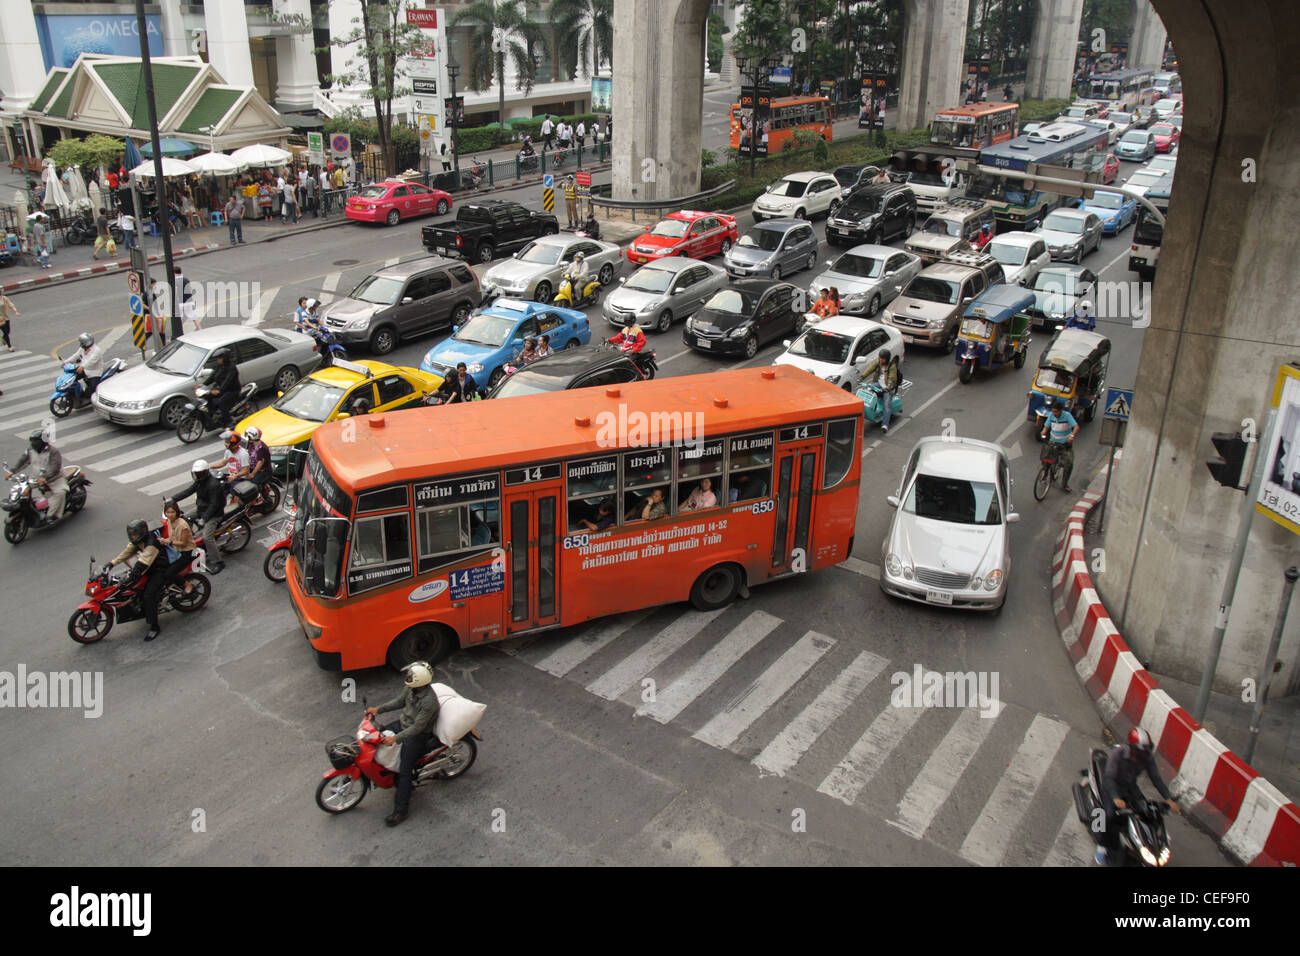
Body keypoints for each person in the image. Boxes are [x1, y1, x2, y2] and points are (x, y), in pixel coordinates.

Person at [364, 661, 442, 826]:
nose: (408, 679)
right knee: (377, 736)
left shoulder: (429, 702)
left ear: (420, 682)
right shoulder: (411, 688)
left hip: (417, 736)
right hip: (403, 724)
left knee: (404, 772)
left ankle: (401, 811)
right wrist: (378, 709)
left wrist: (396, 739)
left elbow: (417, 728)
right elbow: (399, 702)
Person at [1095, 727, 1182, 864]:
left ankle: (1143, 844)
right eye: (1141, 751)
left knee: (1146, 812)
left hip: (1130, 788)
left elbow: (1156, 779)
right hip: (1113, 787)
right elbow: (1109, 778)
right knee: (1109, 815)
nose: (1143, 754)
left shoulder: (1147, 757)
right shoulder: (1118, 754)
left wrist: (1168, 799)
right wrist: (1116, 798)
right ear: (1132, 748)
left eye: (1146, 751)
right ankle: (1102, 846)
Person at [107, 519, 166, 641]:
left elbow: (141, 566)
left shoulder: (151, 544)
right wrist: (111, 564)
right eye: (131, 535)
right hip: (148, 566)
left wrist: (127, 580)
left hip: (158, 569)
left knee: (148, 596)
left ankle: (154, 626)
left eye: (135, 535)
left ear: (142, 532)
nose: (133, 537)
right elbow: (127, 552)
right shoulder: (138, 540)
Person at [171, 459, 226, 573]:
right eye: (196, 473)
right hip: (201, 509)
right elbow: (188, 491)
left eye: (200, 473)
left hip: (213, 514)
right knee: (184, 519)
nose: (198, 475)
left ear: (205, 472)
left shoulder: (213, 485)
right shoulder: (200, 481)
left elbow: (214, 505)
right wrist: (173, 499)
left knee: (207, 537)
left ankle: (218, 562)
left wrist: (204, 519)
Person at [6, 429, 67, 524]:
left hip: (55, 479)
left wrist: (45, 478)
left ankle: (51, 516)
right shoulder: (30, 450)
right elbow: (23, 461)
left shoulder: (54, 452)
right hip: (37, 478)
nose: (33, 443)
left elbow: (55, 468)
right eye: (32, 441)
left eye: (35, 441)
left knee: (60, 493)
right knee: (22, 488)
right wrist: (13, 471)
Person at [158, 499, 197, 594]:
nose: (170, 514)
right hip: (176, 551)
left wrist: (168, 541)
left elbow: (183, 543)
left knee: (169, 573)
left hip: (186, 552)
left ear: (177, 512)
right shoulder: (169, 522)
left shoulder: (182, 525)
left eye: (172, 512)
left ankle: (187, 584)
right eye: (168, 512)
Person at [1040, 398, 1079, 493]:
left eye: (1056, 412)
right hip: (1053, 441)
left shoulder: (1067, 416)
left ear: (1061, 411)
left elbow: (1076, 427)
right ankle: (1045, 472)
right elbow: (1047, 426)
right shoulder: (1051, 416)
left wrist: (1072, 436)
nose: (1054, 413)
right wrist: (1044, 431)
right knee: (1045, 457)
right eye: (1053, 411)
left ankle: (1064, 484)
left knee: (1068, 464)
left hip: (1065, 444)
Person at [209, 348, 241, 428]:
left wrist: (219, 390)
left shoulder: (231, 368)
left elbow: (227, 381)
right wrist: (203, 384)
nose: (218, 360)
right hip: (222, 389)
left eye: (220, 358)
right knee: (208, 396)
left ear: (225, 358)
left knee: (221, 402)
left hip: (232, 390)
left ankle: (228, 421)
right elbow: (213, 376)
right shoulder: (220, 366)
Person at [871, 348, 901, 433]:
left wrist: (888, 388)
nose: (880, 360)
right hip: (879, 384)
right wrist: (861, 377)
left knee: (886, 405)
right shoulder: (879, 363)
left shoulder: (892, 367)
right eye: (880, 358)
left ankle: (885, 425)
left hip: (888, 388)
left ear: (887, 359)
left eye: (882, 358)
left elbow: (892, 379)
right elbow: (870, 369)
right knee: (869, 391)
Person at [71, 332, 105, 397]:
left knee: (92, 390)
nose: (80, 344)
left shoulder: (96, 350)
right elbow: (76, 356)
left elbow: (90, 361)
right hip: (85, 370)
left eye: (82, 342)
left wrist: (82, 367)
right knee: (72, 377)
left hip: (94, 372)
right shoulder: (83, 348)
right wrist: (66, 362)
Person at [244, 425, 272, 495]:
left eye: (248, 436)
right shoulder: (251, 444)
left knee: (254, 484)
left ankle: (260, 497)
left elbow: (260, 462)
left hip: (263, 470)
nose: (247, 437)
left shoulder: (261, 448)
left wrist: (252, 474)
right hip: (253, 467)